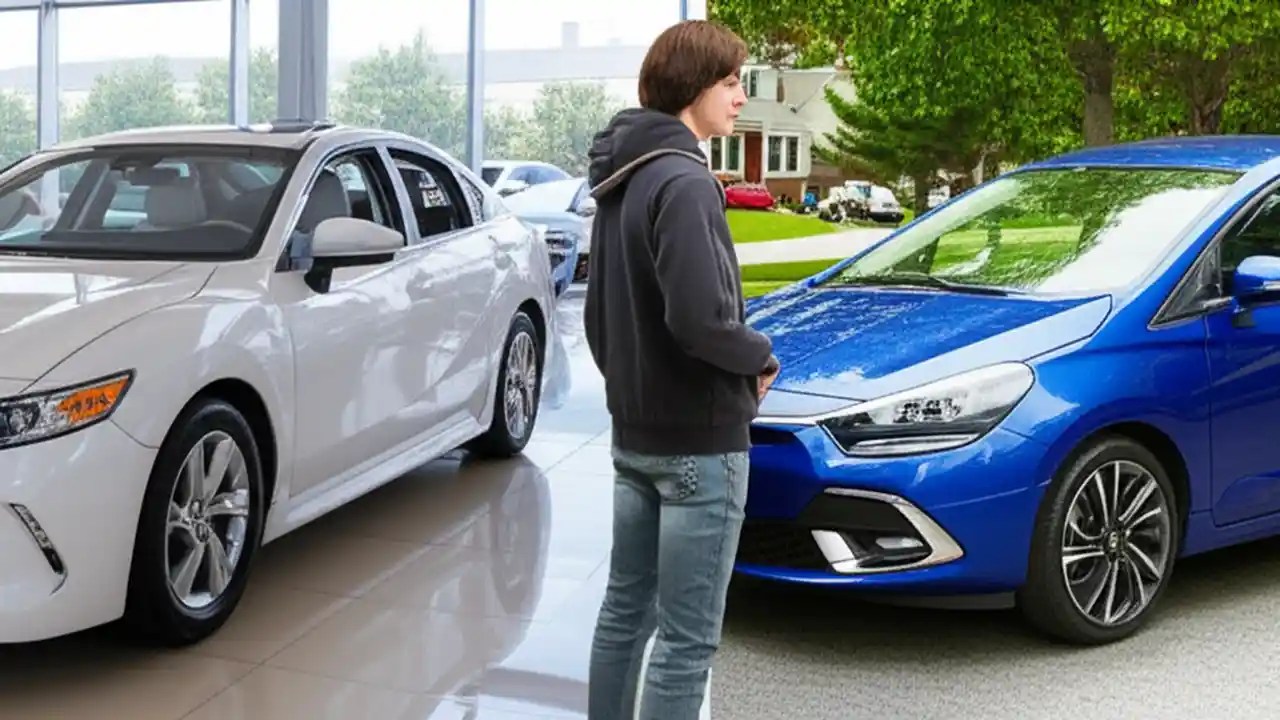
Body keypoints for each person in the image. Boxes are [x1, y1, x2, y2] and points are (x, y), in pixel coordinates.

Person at [581, 19, 781, 720]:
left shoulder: (621, 181)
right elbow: (700, 322)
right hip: (700, 445)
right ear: (694, 85)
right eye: (730, 82)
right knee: (687, 641)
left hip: (635, 437)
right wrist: (758, 356)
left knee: (623, 615)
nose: (739, 97)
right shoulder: (685, 184)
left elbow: (598, 319)